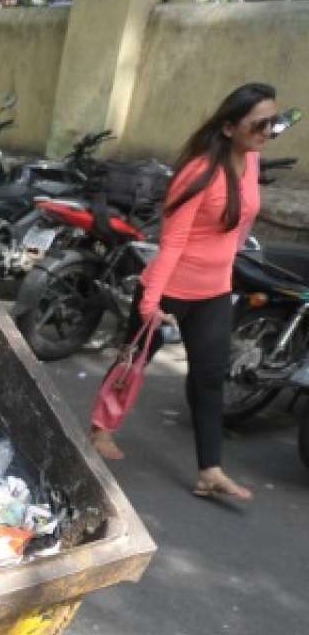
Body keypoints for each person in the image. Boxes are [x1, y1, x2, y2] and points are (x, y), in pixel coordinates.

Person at [90, 82, 278, 502]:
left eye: (274, 124)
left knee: (209, 378)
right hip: (171, 291)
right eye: (259, 124)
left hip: (214, 291)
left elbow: (241, 224)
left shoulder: (250, 162)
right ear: (229, 127)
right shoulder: (198, 172)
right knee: (133, 362)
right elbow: (172, 243)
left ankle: (209, 471)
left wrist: (231, 267)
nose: (267, 132)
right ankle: (101, 429)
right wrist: (152, 301)